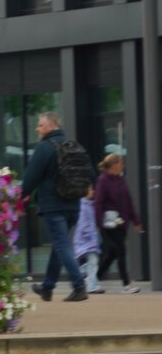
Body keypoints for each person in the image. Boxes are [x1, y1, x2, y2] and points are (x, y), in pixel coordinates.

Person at [18, 111, 89, 303]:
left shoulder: (44, 148)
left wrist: (19, 198)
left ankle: (79, 286)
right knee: (60, 245)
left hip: (53, 205)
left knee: (62, 245)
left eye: (40, 125)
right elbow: (89, 173)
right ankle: (47, 287)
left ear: (52, 126)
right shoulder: (75, 146)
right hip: (74, 204)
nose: (37, 129)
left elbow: (30, 178)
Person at [94, 152, 144, 293]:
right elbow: (98, 203)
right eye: (121, 163)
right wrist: (97, 223)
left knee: (113, 253)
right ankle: (126, 284)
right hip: (108, 223)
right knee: (121, 250)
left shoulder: (120, 180)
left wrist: (136, 220)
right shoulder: (103, 180)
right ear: (114, 165)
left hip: (121, 222)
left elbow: (128, 201)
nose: (123, 165)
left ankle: (94, 277)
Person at [73, 187, 102, 295]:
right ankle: (92, 286)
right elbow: (84, 225)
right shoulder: (83, 206)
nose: (93, 191)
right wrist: (92, 236)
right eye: (90, 190)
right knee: (93, 262)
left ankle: (87, 279)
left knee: (92, 262)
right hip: (87, 240)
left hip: (88, 240)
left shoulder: (88, 205)